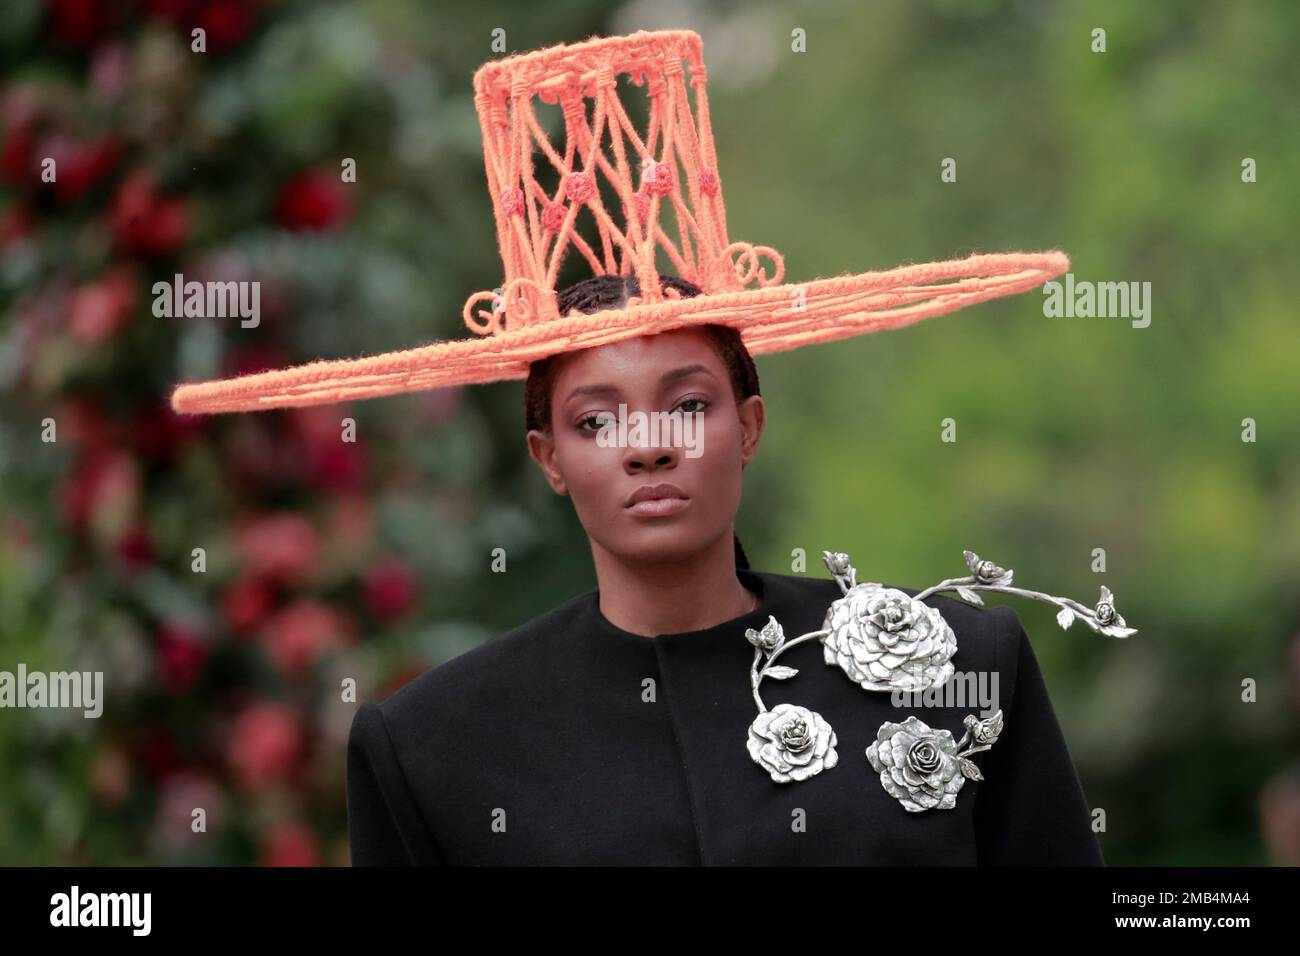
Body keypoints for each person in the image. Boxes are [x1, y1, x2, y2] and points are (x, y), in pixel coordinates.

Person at [344, 271, 1105, 865]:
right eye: (596, 421)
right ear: (550, 458)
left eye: (686, 405)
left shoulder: (954, 663)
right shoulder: (434, 745)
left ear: (748, 428)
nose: (647, 446)